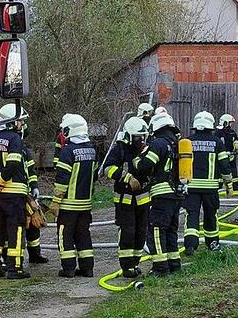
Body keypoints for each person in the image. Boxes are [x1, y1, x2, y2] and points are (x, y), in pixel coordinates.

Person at [0, 103, 32, 279]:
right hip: (14, 193)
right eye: (19, 121)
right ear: (11, 121)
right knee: (15, 230)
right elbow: (13, 164)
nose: (21, 125)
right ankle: (14, 268)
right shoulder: (14, 139)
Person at [133, 111, 182, 275]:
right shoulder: (176, 143)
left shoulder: (159, 143)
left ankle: (160, 268)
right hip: (176, 194)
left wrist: (137, 160)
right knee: (170, 231)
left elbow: (146, 165)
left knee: (156, 230)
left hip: (162, 193)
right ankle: (174, 264)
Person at [50, 114, 97, 277]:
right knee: (83, 235)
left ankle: (68, 268)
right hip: (85, 204)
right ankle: (87, 268)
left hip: (68, 205)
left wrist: (56, 201)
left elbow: (62, 180)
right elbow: (94, 176)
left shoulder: (68, 152)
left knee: (65, 235)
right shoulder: (92, 150)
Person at [103, 116, 150, 278]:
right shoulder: (119, 150)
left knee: (141, 232)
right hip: (124, 200)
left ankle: (136, 262)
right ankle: (126, 266)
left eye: (143, 136)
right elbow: (107, 169)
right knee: (128, 232)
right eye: (138, 136)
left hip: (143, 200)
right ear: (129, 136)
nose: (141, 139)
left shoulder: (145, 150)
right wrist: (126, 177)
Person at [183, 111, 230, 255]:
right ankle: (213, 243)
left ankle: (190, 246)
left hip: (191, 188)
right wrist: (229, 183)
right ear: (211, 126)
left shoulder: (187, 141)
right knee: (211, 215)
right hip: (210, 188)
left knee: (191, 215)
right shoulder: (217, 142)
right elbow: (224, 164)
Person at [20, 126, 48, 265]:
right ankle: (10, 259)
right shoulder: (11, 146)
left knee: (34, 223)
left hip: (27, 193)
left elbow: (30, 170)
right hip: (16, 193)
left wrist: (34, 186)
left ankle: (35, 255)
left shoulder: (23, 149)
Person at [215, 113, 238, 195]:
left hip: (231, 155)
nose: (230, 125)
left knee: (234, 171)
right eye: (229, 123)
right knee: (220, 171)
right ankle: (218, 187)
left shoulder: (232, 132)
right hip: (222, 156)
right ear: (225, 122)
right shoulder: (217, 132)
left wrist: (236, 143)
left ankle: (236, 186)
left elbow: (236, 139)